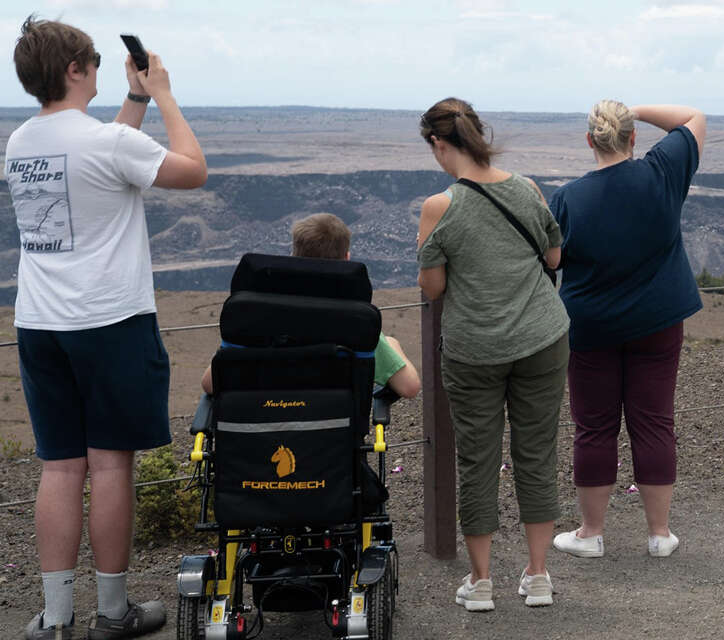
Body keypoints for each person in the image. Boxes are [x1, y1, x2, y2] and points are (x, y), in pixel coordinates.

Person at [6, 16, 207, 640]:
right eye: (91, 60)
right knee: (110, 465)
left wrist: (135, 98)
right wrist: (166, 92)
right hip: (110, 322)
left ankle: (56, 617)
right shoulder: (105, 146)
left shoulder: (20, 142)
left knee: (61, 467)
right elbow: (191, 169)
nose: (96, 67)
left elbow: (103, 159)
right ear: (74, 70)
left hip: (40, 324)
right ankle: (113, 612)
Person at [416, 97, 570, 610]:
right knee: (536, 454)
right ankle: (539, 574)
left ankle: (481, 582)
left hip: (474, 350)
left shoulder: (440, 207)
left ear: (440, 145)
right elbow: (553, 255)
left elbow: (434, 288)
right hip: (542, 340)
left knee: (477, 461)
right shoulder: (526, 189)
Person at [548, 101, 706, 561]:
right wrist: (634, 108)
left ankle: (591, 534)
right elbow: (693, 118)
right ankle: (659, 534)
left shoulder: (568, 199)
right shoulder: (661, 173)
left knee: (593, 427)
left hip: (591, 327)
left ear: (589, 141)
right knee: (654, 421)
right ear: (633, 137)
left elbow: (551, 264)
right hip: (658, 322)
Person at [200, 213, 421, 399]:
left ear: (293, 255)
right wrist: (392, 345)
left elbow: (210, 383)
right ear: (347, 258)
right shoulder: (356, 321)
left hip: (261, 436)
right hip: (331, 440)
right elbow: (410, 387)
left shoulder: (255, 317)